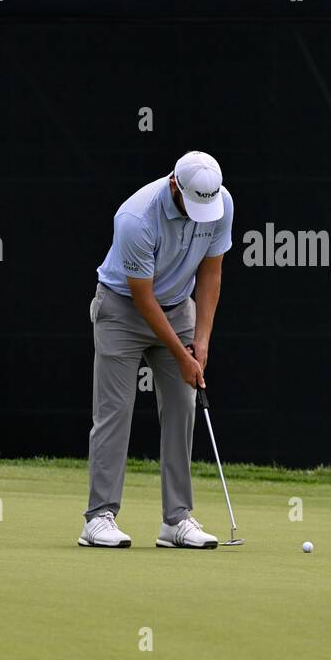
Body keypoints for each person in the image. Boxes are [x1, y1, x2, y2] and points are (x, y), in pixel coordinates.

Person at [79, 151, 233, 550]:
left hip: (180, 308)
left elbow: (211, 271)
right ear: (173, 185)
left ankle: (177, 520)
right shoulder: (136, 217)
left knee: (183, 408)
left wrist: (200, 341)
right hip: (122, 309)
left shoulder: (220, 203)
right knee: (114, 412)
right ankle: (99, 518)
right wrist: (182, 355)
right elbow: (143, 298)